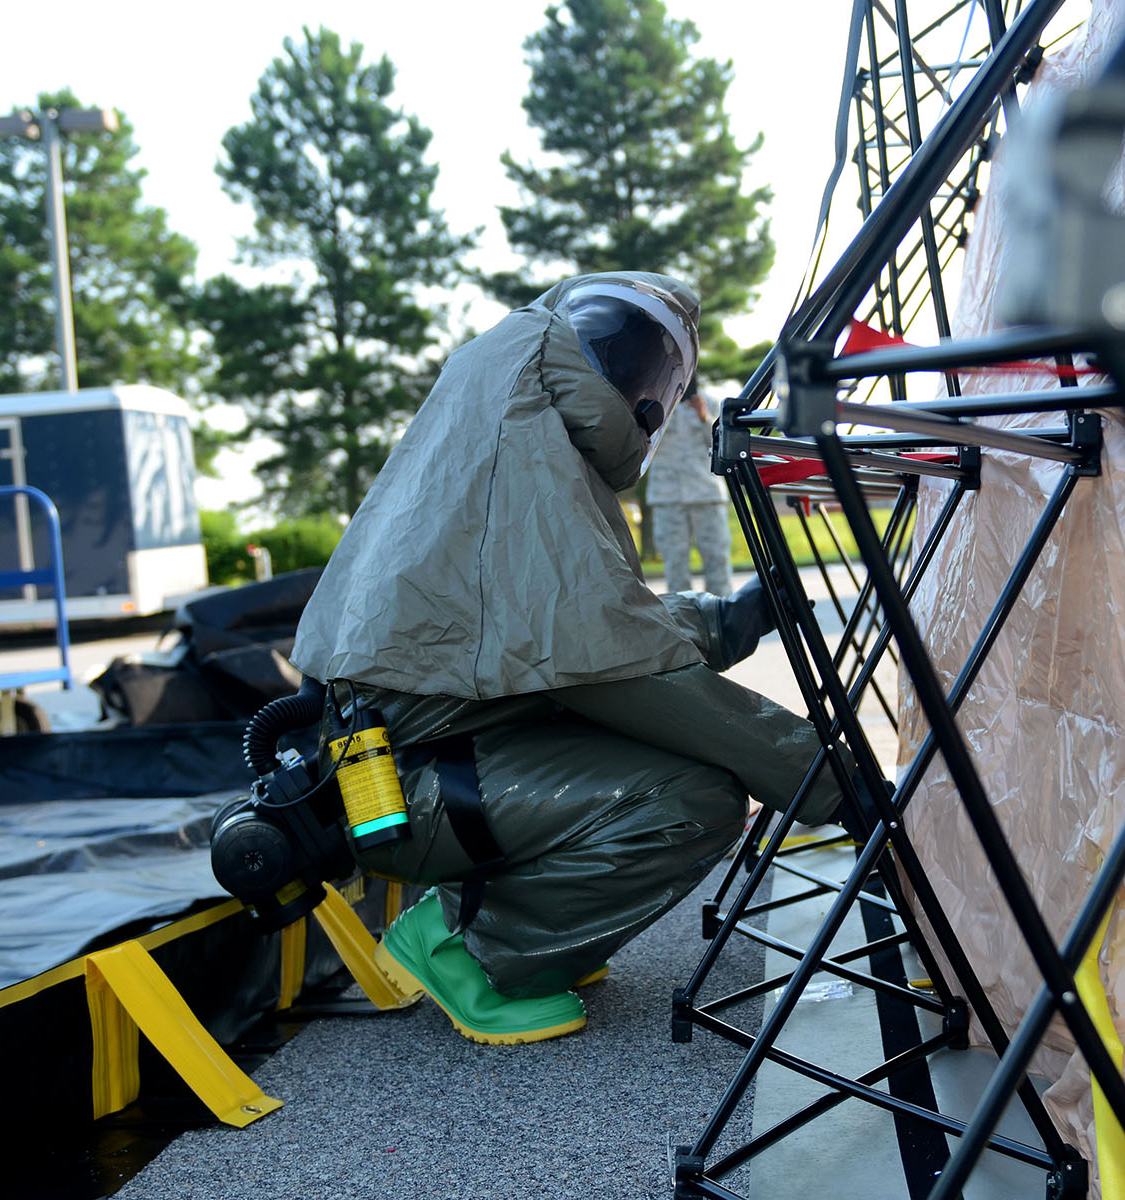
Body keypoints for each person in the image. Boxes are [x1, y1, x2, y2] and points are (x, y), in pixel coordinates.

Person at [289, 272, 860, 1045]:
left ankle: (534, 924)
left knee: (673, 767)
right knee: (691, 799)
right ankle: (480, 953)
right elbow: (632, 677)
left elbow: (587, 639)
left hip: (423, 761)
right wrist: (852, 794)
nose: (639, 391)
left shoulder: (498, 443)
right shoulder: (525, 478)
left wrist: (728, 621)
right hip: (405, 791)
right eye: (627, 364)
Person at [647, 381, 732, 596]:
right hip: (667, 496)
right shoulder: (653, 403)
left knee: (717, 560)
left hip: (706, 492)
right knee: (675, 564)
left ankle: (722, 616)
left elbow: (724, 445)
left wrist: (704, 418)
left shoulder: (710, 402)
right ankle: (683, 622)